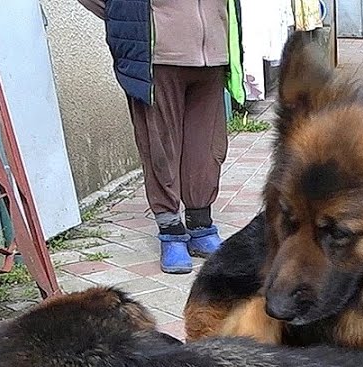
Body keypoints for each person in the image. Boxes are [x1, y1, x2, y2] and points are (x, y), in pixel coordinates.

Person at [78, 0, 245, 273]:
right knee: (160, 148)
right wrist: (123, 14)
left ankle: (201, 225)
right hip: (159, 57)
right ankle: (170, 230)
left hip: (215, 54)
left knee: (206, 149)